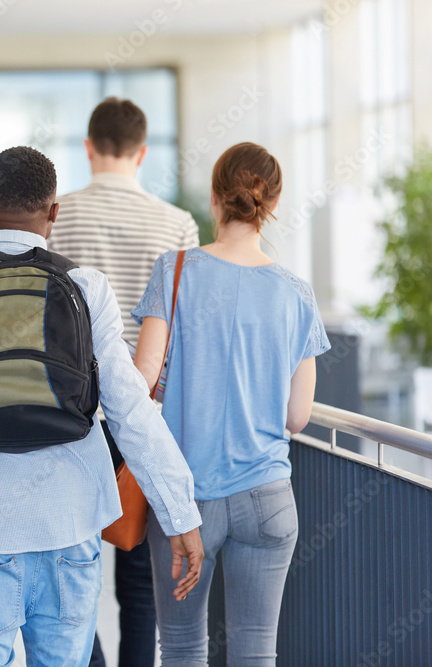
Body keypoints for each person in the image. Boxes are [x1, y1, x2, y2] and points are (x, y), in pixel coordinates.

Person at [0, 146, 204, 667]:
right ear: (53, 211)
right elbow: (131, 411)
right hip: (68, 532)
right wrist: (181, 516)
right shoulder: (86, 287)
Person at [132, 142, 330, 665]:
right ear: (272, 202)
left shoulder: (174, 271)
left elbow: (142, 378)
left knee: (180, 646)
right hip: (266, 496)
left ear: (216, 199)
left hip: (184, 497)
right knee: (255, 651)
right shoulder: (296, 292)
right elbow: (297, 416)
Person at [48, 97, 199, 667]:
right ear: (142, 151)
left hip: (71, 414)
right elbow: (180, 326)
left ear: (89, 148)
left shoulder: (58, 214)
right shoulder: (175, 223)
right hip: (145, 417)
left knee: (72, 567)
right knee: (139, 580)